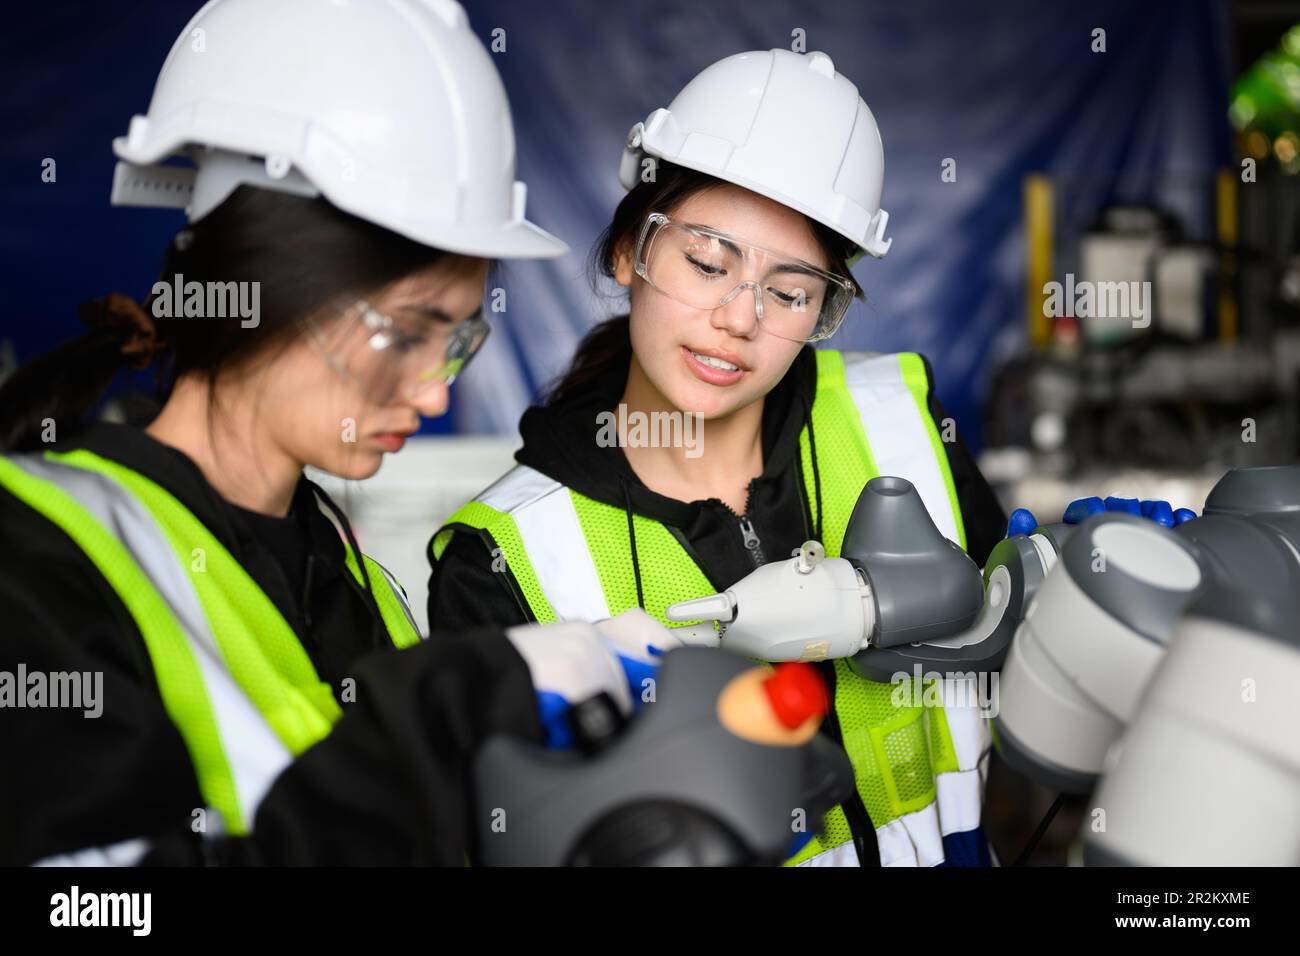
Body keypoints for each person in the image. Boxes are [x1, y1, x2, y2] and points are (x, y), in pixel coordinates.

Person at [0, 0, 704, 867]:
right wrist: (440, 713)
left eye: (454, 343)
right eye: (405, 334)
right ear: (271, 278)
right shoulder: (34, 558)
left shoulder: (356, 580)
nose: (433, 395)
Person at [428, 49, 1008, 867]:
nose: (741, 318)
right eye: (708, 264)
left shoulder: (901, 420)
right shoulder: (503, 558)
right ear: (630, 250)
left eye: (791, 290)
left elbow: (1007, 640)